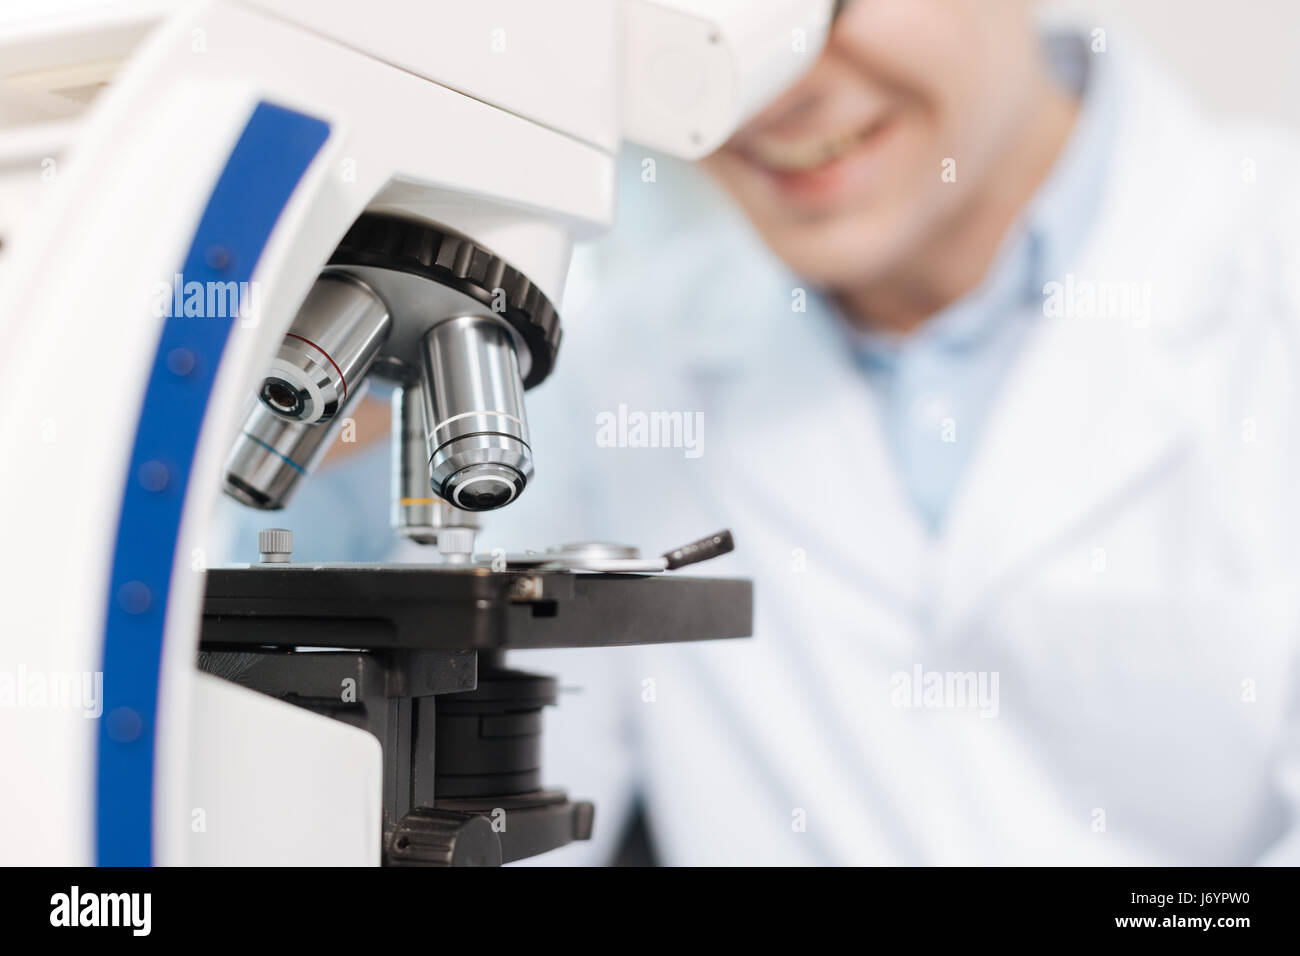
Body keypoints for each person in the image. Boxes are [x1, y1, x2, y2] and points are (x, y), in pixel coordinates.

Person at [227, 1, 1300, 864]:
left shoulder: (1264, 266)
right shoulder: (627, 363)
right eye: (704, 23)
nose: (776, 87)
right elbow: (493, 777)